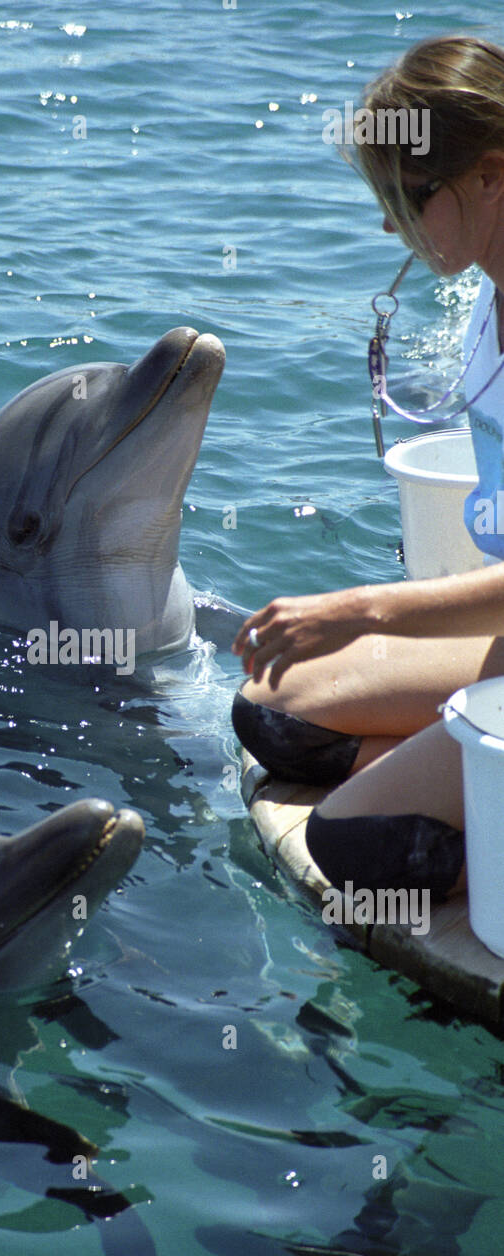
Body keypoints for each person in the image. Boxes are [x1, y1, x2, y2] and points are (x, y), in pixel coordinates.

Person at [231, 34, 504, 901]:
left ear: (492, 173)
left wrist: (362, 609)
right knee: (274, 712)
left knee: (349, 843)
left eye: (406, 194)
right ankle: (443, 769)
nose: (389, 223)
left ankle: (457, 789)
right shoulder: (487, 302)